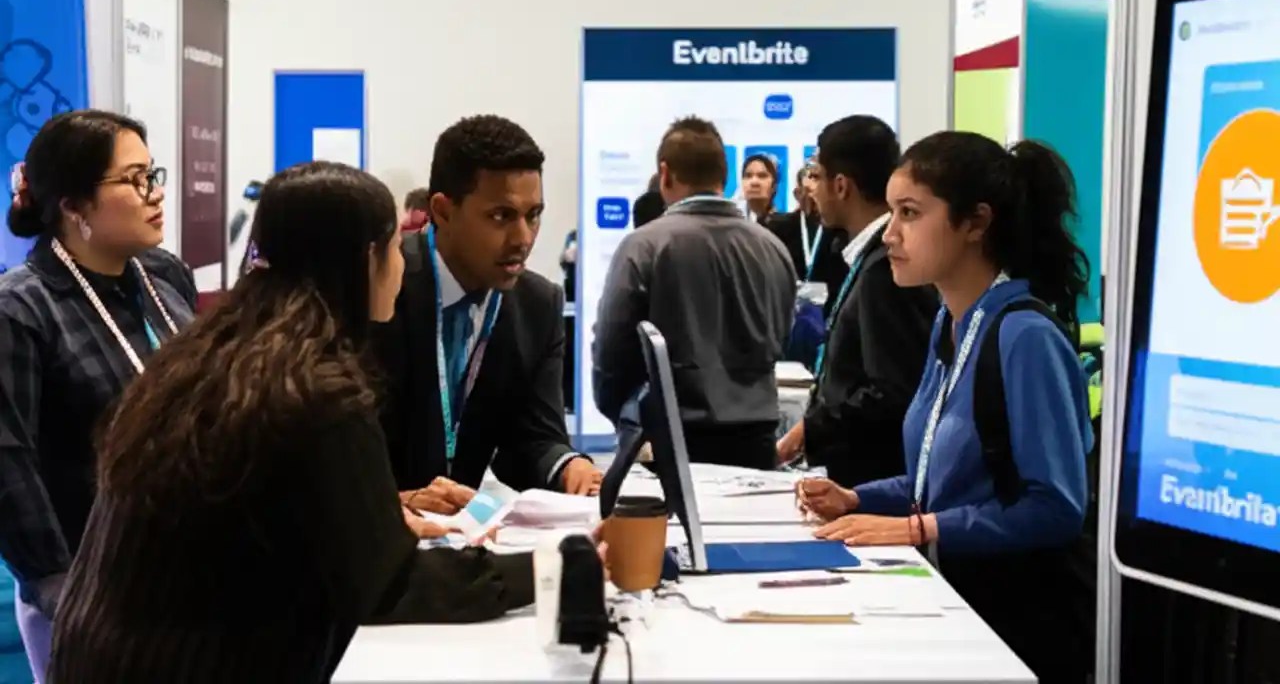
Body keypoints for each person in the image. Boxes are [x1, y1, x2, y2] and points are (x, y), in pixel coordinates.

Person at [47, 162, 549, 684]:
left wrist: (374, 511)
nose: (403, 267)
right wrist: (552, 568)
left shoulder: (214, 352)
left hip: (100, 655)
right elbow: (388, 586)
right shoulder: (316, 388)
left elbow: (246, 509)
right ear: (365, 259)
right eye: (395, 248)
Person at [797, 131, 1094, 682]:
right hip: (958, 610)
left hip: (1021, 632)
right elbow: (944, 476)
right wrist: (857, 497)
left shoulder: (1024, 335)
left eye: (910, 213)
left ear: (975, 224)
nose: (890, 234)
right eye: (891, 212)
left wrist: (918, 528)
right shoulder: (950, 323)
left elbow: (1055, 508)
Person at [0, 110, 195, 683]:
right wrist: (62, 589)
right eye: (134, 180)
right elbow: (8, 460)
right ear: (74, 205)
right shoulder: (21, 309)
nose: (155, 193)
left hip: (195, 569)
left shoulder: (163, 278)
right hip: (96, 594)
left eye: (152, 174)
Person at [376, 115, 600, 497]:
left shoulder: (537, 305)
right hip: (374, 532)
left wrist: (568, 466)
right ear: (443, 211)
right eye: (502, 216)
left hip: (460, 535)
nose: (523, 238)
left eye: (534, 216)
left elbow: (532, 439)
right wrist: (392, 506)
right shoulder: (381, 288)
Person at [594, 116, 796, 470]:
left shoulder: (644, 246)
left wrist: (627, 419)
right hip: (758, 438)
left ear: (665, 174)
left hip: (670, 438)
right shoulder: (773, 247)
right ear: (726, 175)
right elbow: (783, 334)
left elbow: (612, 348)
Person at [776, 116, 936, 487]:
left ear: (841, 185)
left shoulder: (885, 270)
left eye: (816, 176)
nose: (811, 188)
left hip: (871, 483)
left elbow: (892, 390)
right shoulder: (867, 261)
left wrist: (814, 430)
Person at [766, 165, 850, 311]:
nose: (812, 195)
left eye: (817, 181)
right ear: (797, 193)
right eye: (806, 190)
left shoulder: (841, 230)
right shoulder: (779, 228)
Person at [741, 153, 780, 225]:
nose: (754, 182)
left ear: (774, 186)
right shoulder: (729, 224)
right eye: (748, 176)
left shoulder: (785, 226)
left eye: (762, 176)